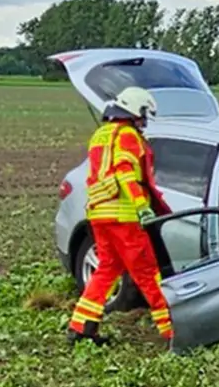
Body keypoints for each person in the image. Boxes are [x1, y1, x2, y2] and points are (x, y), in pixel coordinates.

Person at [68, 86, 175, 347]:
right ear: (134, 111)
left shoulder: (100, 135)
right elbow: (124, 172)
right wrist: (141, 206)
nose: (144, 121)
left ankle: (81, 326)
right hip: (123, 216)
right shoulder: (127, 135)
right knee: (147, 272)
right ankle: (171, 331)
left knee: (107, 269)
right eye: (143, 115)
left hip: (99, 214)